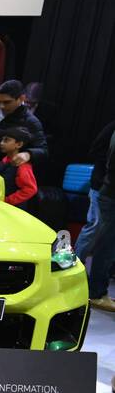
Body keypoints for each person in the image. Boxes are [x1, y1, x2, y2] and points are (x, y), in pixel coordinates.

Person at [0, 79, 47, 167]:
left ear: (21, 98)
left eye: (7, 102)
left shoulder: (30, 121)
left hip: (5, 174)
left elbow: (43, 150)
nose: (2, 106)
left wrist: (28, 154)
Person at [75, 118, 115, 270]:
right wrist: (106, 173)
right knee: (95, 226)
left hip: (105, 184)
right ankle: (74, 263)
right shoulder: (111, 127)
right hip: (102, 185)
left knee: (101, 229)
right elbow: (96, 151)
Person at [84, 125, 115, 313]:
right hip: (111, 194)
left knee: (106, 244)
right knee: (107, 246)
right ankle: (96, 293)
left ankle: (97, 291)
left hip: (108, 191)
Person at [0, 126, 38, 209]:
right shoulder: (4, 160)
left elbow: (30, 189)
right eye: (2, 140)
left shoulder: (23, 166)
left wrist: (7, 200)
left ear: (19, 144)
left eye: (6, 140)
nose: (1, 143)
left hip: (13, 208)